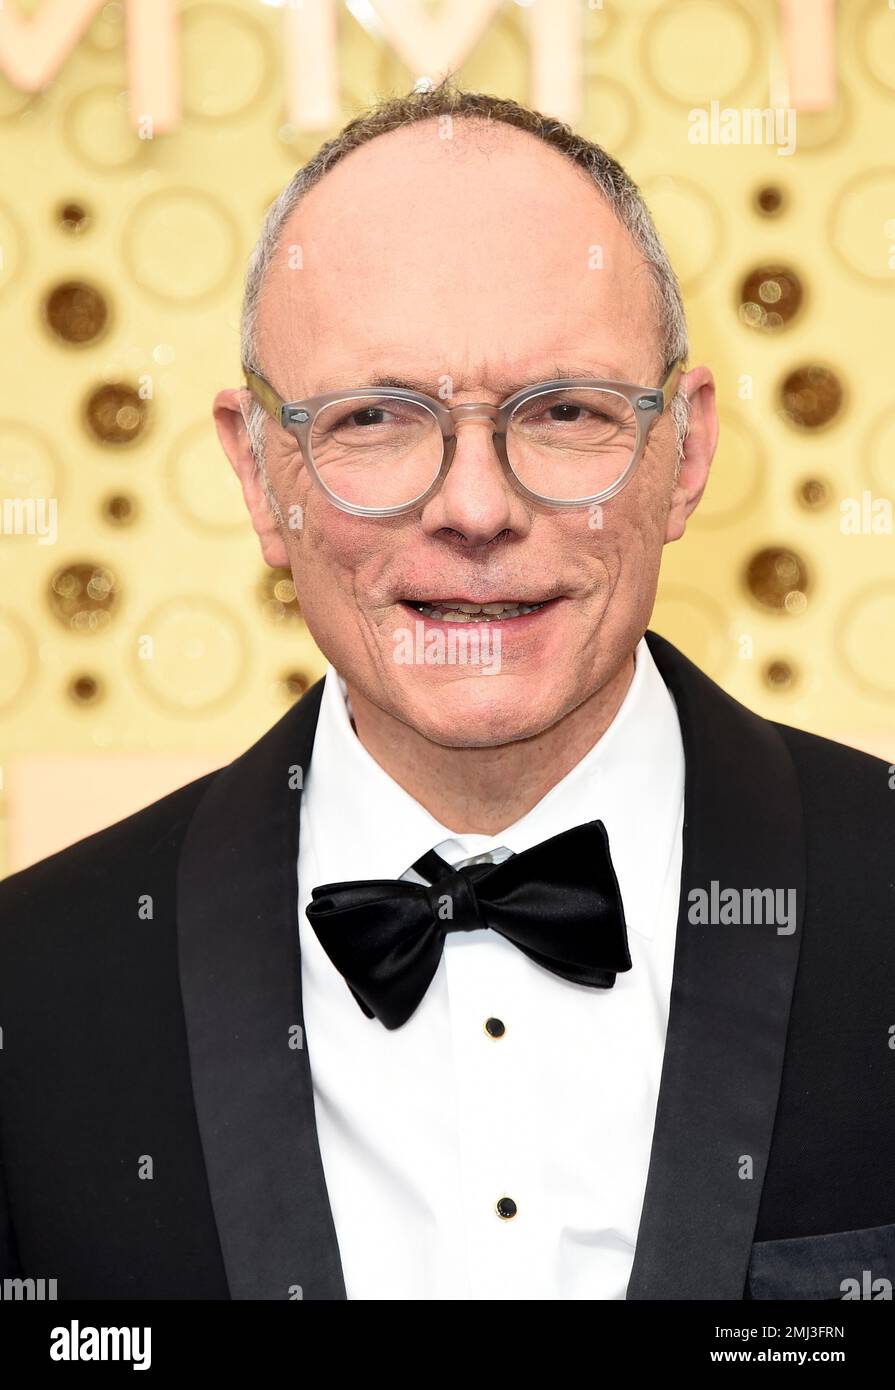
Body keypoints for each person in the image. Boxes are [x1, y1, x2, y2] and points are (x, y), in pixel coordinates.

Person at [1, 80, 893, 1302]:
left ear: (683, 453)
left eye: (565, 409)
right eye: (377, 417)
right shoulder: (33, 978)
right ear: (262, 478)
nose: (475, 507)